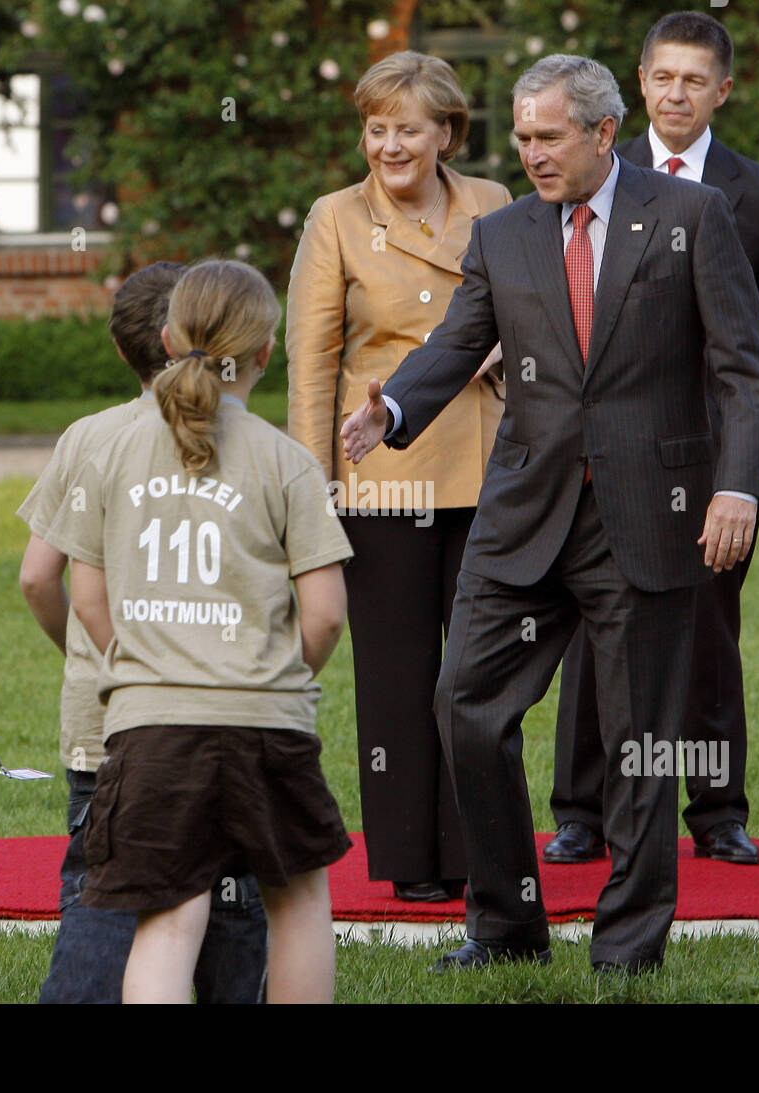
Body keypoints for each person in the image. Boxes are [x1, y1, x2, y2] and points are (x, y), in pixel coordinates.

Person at [342, 55, 759, 975]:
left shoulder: (693, 217)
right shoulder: (503, 235)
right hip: (523, 515)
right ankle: (505, 925)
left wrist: (736, 486)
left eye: (548, 137)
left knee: (641, 743)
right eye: (523, 136)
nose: (530, 154)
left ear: (602, 132)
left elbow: (744, 369)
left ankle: (627, 947)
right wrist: (392, 410)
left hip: (650, 516)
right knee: (465, 708)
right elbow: (459, 341)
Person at [45, 260, 354, 1003]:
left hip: (152, 722)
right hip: (265, 718)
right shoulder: (288, 460)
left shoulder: (111, 447)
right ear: (266, 354)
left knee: (170, 912)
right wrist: (286, 677)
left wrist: (136, 661)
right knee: (298, 901)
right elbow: (326, 611)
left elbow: (82, 588)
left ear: (164, 337)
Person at [545, 11, 759, 870]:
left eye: (696, 79)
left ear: (723, 90)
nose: (677, 92)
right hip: (603, 450)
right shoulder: (591, 171)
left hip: (711, 461)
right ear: (639, 82)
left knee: (707, 636)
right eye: (663, 77)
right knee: (591, 631)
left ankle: (718, 809)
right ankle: (580, 811)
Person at [287, 50, 511, 902]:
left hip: (487, 464)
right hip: (379, 473)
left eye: (407, 129)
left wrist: (503, 348)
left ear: (446, 132)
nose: (388, 145)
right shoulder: (335, 217)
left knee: (481, 669)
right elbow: (310, 365)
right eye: (375, 129)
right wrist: (314, 487)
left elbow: (539, 312)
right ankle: (413, 858)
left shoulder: (492, 202)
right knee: (395, 668)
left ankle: (479, 849)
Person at [17, 260, 269, 1003]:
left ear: (128, 345)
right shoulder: (256, 443)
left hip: (106, 721)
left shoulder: (91, 438)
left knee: (102, 888)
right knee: (229, 899)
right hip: (219, 714)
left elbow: (37, 576)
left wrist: (95, 651)